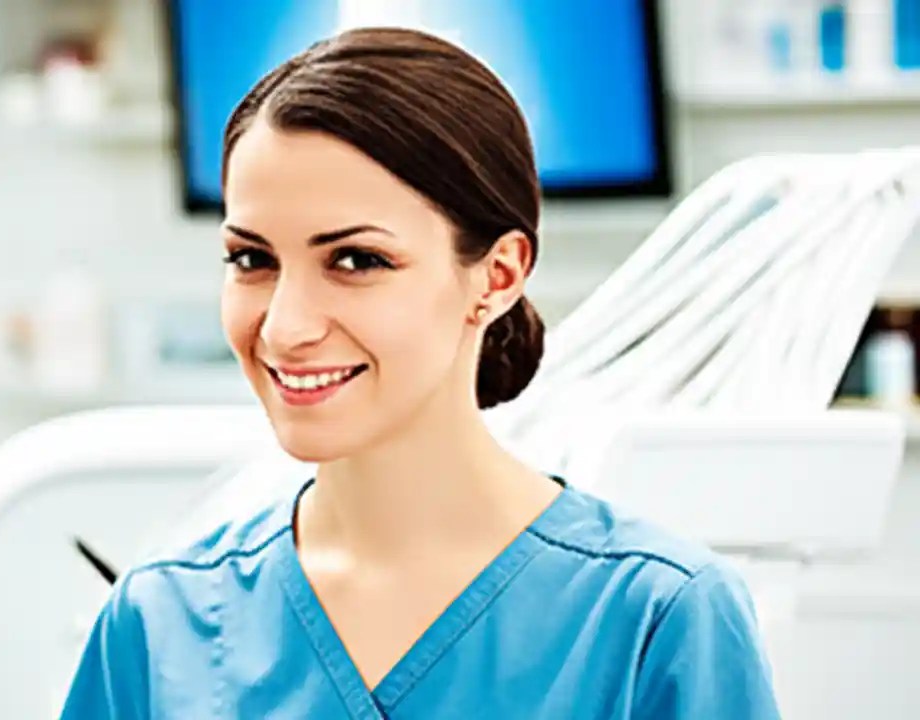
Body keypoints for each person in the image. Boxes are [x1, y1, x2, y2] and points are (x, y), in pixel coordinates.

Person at [60, 27, 781, 719]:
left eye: (357, 261)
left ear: (497, 276)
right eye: (253, 260)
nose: (284, 326)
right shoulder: (159, 624)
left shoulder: (656, 619)